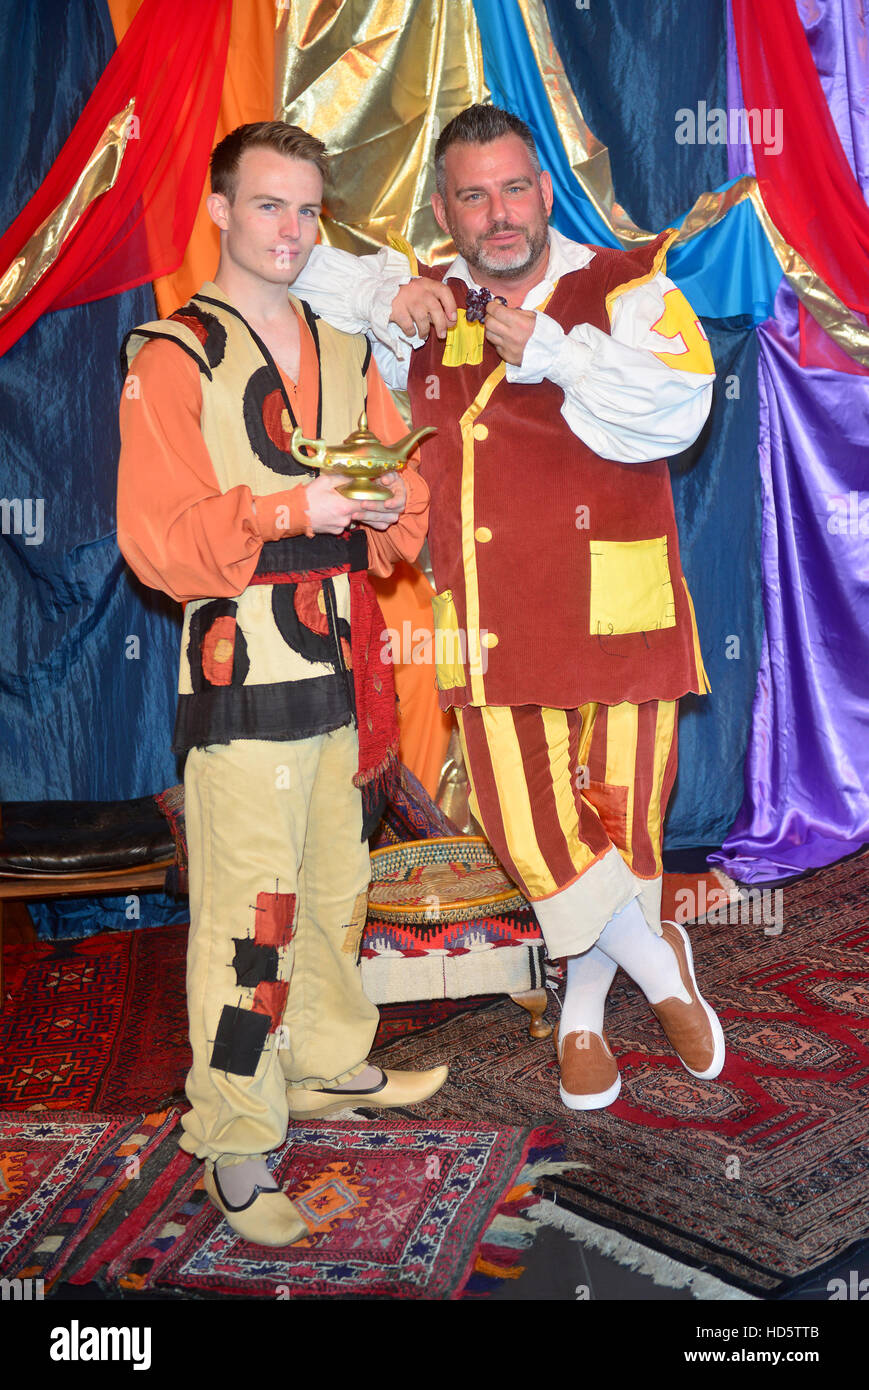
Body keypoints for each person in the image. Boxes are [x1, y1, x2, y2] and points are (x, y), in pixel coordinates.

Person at [293, 104, 724, 1112]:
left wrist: (558, 351)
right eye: (472, 194)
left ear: (544, 189)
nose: (498, 213)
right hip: (488, 627)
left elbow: (678, 407)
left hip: (621, 615)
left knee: (622, 829)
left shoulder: (624, 287)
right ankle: (664, 972)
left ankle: (578, 1021)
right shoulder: (426, 305)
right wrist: (391, 287)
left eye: (514, 187)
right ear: (442, 208)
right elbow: (298, 256)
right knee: (522, 826)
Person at [116, 121, 448, 1247]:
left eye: (308, 210)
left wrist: (392, 504)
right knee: (248, 919)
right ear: (217, 211)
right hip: (241, 678)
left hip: (344, 666)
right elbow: (155, 543)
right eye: (268, 205)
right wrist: (284, 510)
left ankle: (323, 1060)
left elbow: (404, 495)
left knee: (331, 882)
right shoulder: (173, 354)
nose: (292, 230)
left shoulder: (345, 350)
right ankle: (235, 1134)